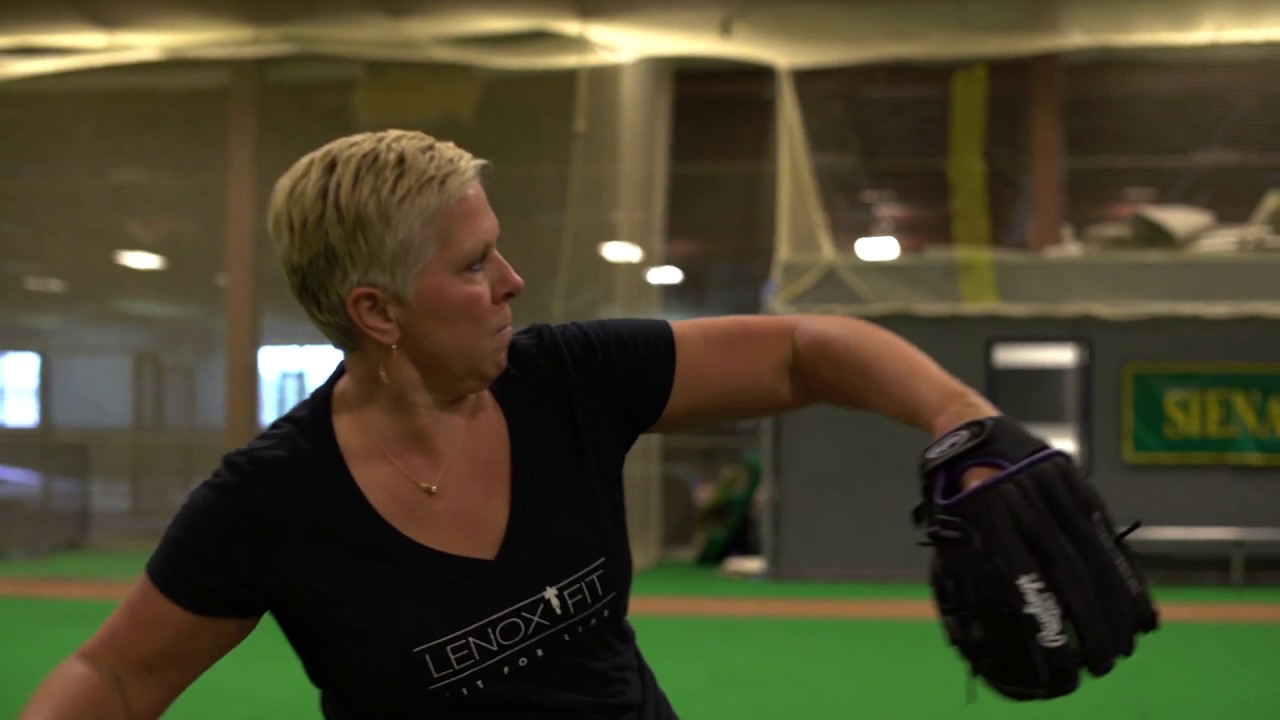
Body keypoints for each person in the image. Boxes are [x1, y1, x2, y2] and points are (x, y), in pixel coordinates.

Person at [22, 129, 1003, 719]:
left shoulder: (563, 381)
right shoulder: (274, 499)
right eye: (472, 265)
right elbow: (112, 677)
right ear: (376, 312)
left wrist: (964, 423)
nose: (510, 283)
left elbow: (800, 350)